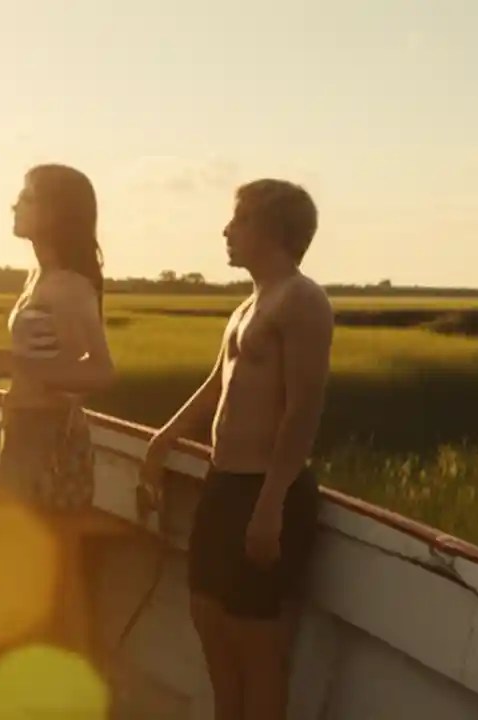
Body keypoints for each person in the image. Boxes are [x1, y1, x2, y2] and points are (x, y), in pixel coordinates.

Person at [139, 179, 332, 720]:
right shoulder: (250, 304)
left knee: (257, 647)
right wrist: (165, 437)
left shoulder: (303, 299)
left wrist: (271, 504)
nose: (227, 231)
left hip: (266, 489)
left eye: (239, 220)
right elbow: (216, 384)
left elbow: (303, 409)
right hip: (223, 485)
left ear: (271, 230)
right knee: (209, 620)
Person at [0, 164, 116, 656]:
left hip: (49, 446)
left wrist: (5, 361)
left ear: (56, 213)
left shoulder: (67, 286)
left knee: (46, 576)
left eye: (27, 197)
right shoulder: (40, 277)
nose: (15, 204)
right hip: (24, 437)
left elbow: (100, 372)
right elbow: (48, 368)